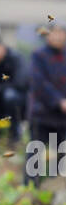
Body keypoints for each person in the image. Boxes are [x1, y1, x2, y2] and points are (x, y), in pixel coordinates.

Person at [25, 23, 66, 186]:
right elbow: (39, 82)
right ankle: (28, 194)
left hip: (63, 119)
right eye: (52, 33)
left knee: (62, 161)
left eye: (60, 33)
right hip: (42, 115)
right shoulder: (38, 55)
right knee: (35, 161)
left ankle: (58, 199)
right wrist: (59, 101)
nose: (56, 36)